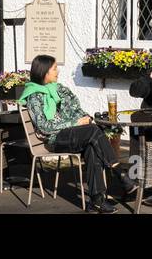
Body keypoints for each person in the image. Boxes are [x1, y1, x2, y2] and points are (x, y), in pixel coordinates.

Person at [19, 54, 132, 214]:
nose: (58, 71)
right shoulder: (34, 96)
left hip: (70, 134)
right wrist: (75, 123)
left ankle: (97, 201)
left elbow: (76, 110)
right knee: (93, 132)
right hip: (53, 139)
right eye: (54, 68)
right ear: (44, 72)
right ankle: (119, 172)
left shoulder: (59, 90)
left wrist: (85, 118)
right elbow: (44, 127)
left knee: (92, 146)